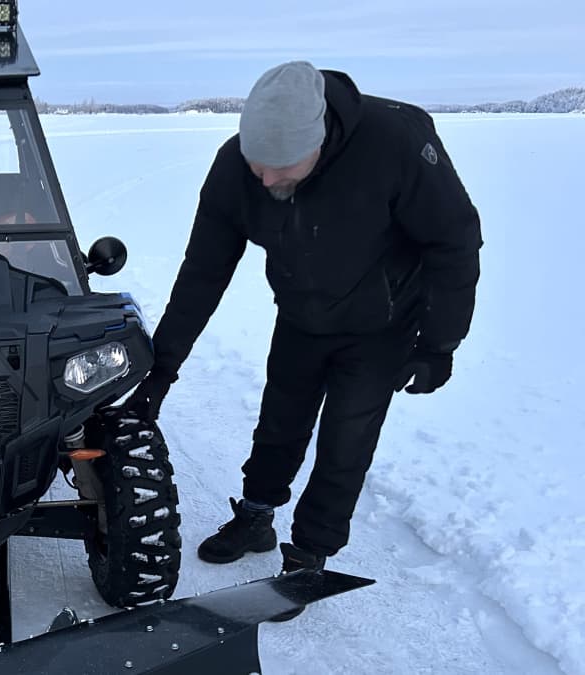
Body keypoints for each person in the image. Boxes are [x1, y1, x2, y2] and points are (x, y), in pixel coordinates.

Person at [125, 61, 482, 618]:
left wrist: (439, 344)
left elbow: (456, 242)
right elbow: (202, 274)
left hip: (381, 326)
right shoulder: (235, 169)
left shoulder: (395, 145)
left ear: (319, 142)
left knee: (345, 442)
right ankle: (256, 517)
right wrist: (161, 369)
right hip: (301, 314)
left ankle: (309, 556)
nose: (266, 181)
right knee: (279, 422)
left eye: (280, 167)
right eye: (256, 165)